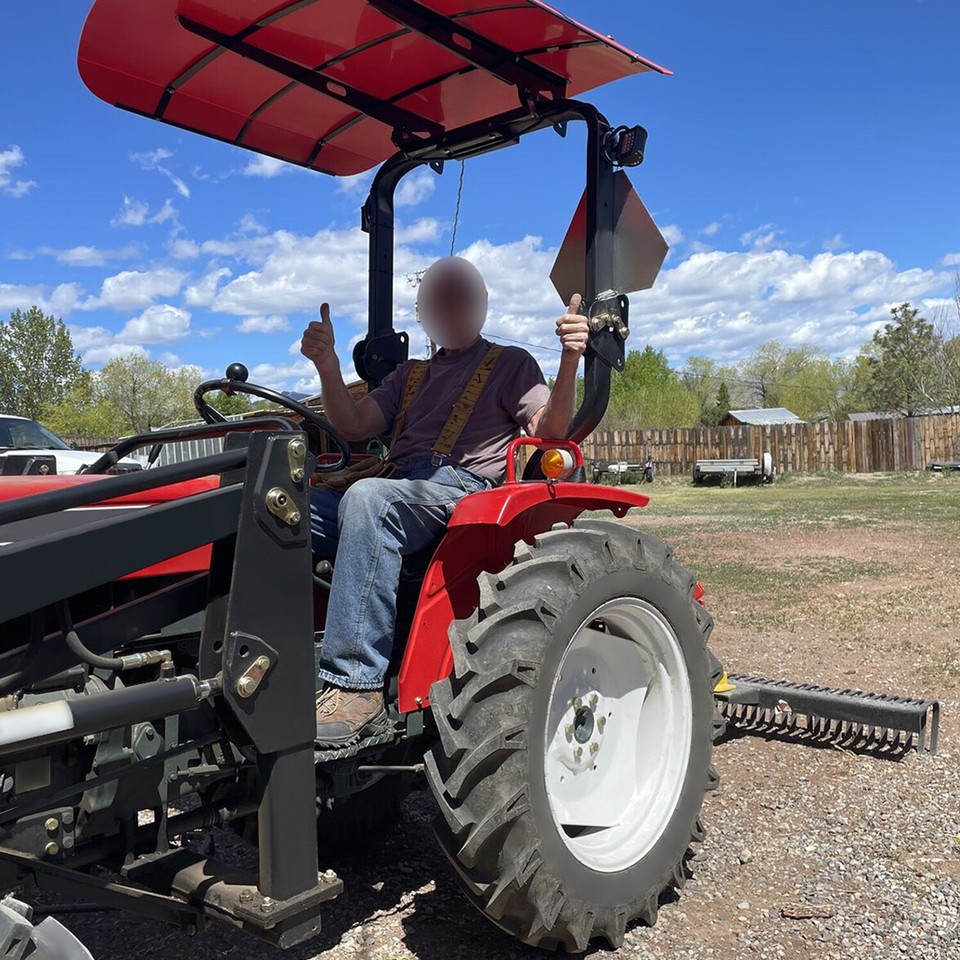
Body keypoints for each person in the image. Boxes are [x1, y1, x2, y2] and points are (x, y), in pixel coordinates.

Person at [300, 256, 589, 746]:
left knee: (371, 501)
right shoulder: (408, 377)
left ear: (480, 306)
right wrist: (327, 365)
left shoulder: (511, 364)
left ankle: (356, 686)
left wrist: (569, 360)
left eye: (461, 297)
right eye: (440, 298)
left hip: (459, 490)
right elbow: (352, 425)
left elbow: (550, 429)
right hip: (396, 481)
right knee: (278, 506)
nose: (450, 306)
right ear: (423, 310)